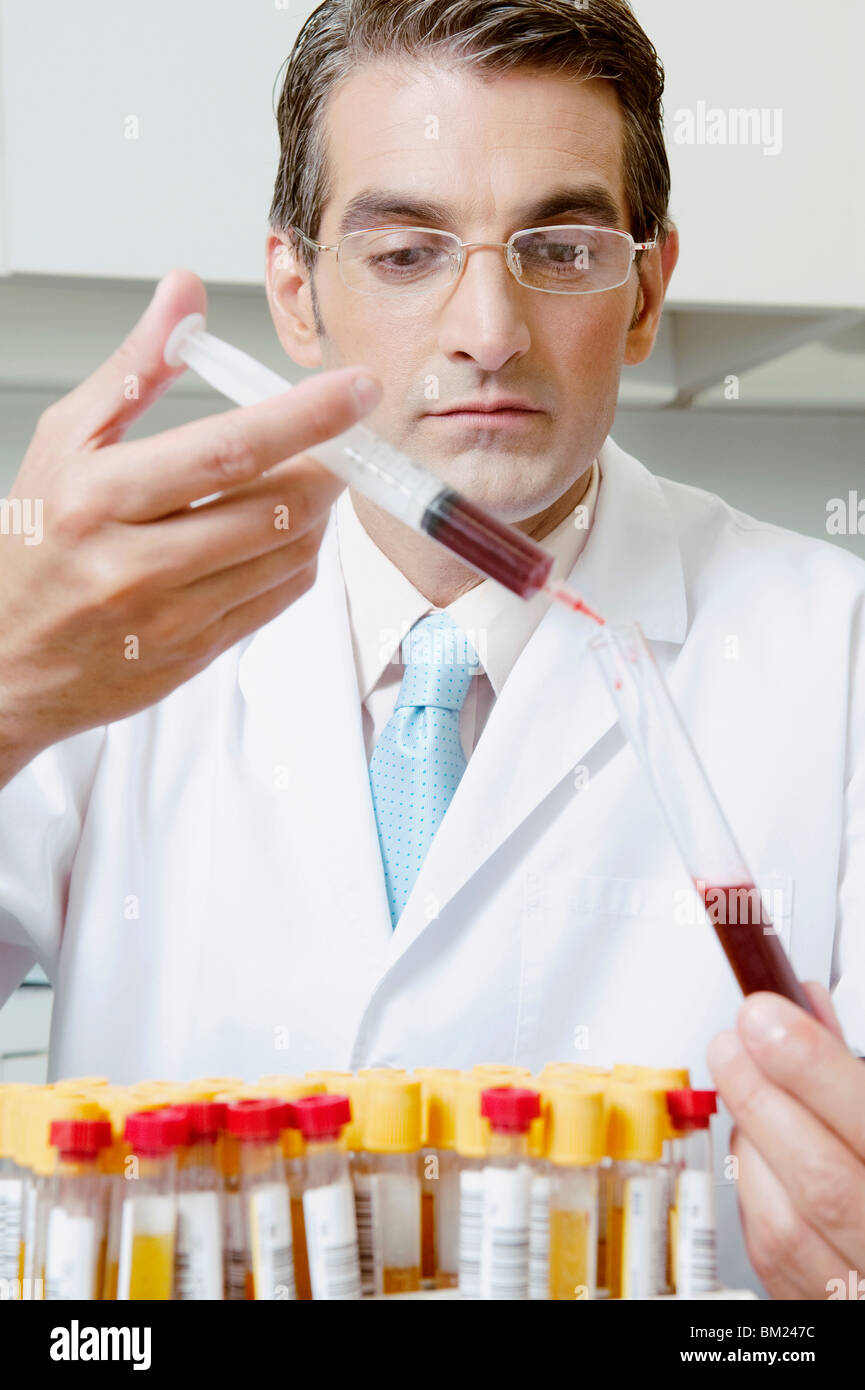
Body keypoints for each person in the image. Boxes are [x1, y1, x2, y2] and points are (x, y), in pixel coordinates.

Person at [0, 0, 862, 1299]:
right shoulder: (99, 624)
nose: (488, 330)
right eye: (404, 251)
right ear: (294, 294)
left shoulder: (830, 651)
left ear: (645, 292)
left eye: (560, 247)